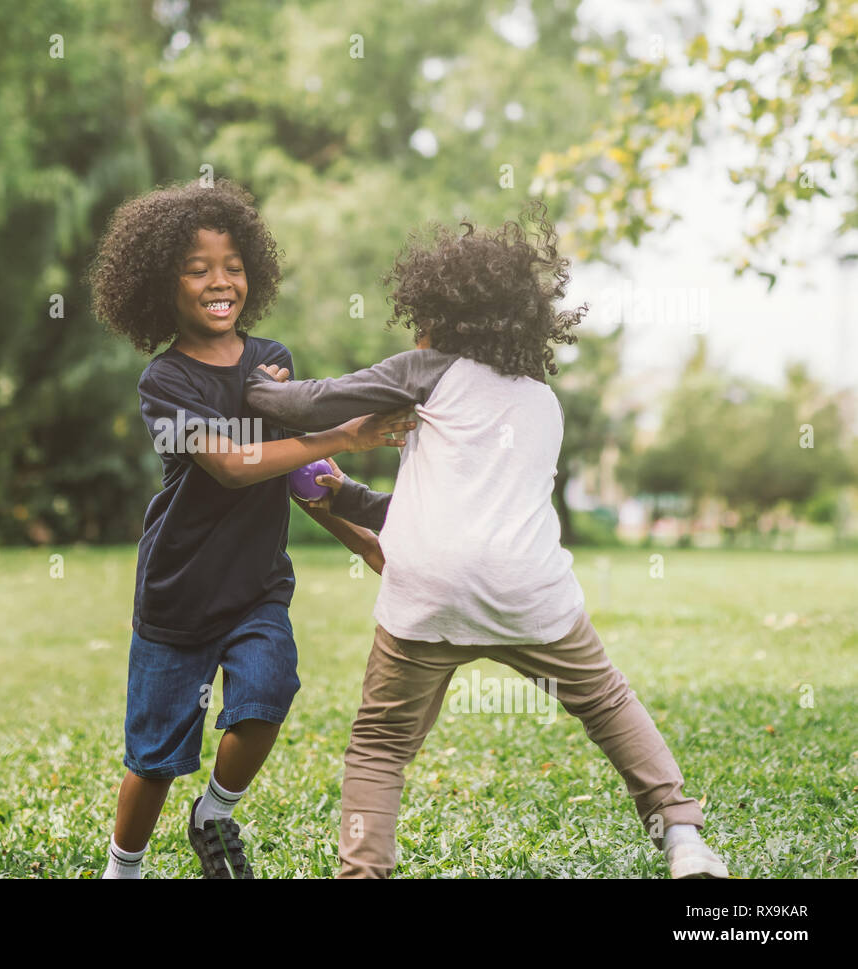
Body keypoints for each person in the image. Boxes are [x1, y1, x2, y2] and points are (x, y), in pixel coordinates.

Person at [244, 202, 730, 879]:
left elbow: (315, 402)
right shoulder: (542, 401)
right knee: (609, 703)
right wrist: (347, 497)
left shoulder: (427, 370)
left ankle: (362, 872)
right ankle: (683, 837)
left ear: (437, 319)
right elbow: (463, 511)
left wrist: (255, 389)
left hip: (429, 593)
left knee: (380, 744)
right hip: (528, 591)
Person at [88, 178, 414, 878]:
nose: (220, 281)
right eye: (197, 267)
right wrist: (346, 435)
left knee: (267, 692)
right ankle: (124, 867)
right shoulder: (164, 382)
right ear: (159, 285)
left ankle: (215, 812)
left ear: (254, 274)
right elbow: (234, 465)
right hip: (178, 593)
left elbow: (295, 475)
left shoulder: (272, 362)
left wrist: (367, 541)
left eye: (233, 265)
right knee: (153, 760)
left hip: (257, 585)